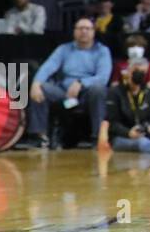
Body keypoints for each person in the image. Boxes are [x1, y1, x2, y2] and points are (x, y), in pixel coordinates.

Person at [25, 18, 112, 148]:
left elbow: (103, 77)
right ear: (74, 32)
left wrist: (81, 83)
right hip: (64, 94)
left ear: (94, 32)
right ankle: (39, 136)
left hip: (87, 94)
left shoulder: (102, 51)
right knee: (40, 88)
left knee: (99, 89)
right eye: (80, 28)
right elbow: (47, 67)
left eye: (88, 29)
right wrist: (36, 83)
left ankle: (98, 137)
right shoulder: (64, 49)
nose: (84, 31)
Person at [100, 66, 150, 152]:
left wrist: (149, 126)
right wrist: (128, 132)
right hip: (121, 136)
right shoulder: (115, 92)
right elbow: (112, 123)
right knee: (141, 143)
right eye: (134, 72)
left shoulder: (149, 93)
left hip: (143, 134)